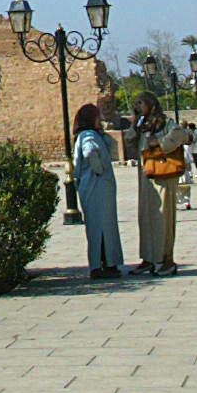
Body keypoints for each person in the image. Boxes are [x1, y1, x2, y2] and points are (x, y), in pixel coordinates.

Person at [132, 91, 184, 275]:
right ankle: (148, 258)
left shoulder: (166, 123)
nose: (138, 107)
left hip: (163, 176)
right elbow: (129, 141)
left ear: (151, 105)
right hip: (147, 176)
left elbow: (180, 135)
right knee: (146, 217)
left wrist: (159, 143)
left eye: (141, 103)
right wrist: (134, 125)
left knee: (163, 218)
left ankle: (166, 260)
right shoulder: (141, 124)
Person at [71, 104, 125, 279]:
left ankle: (103, 262)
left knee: (98, 226)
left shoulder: (91, 134)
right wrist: (99, 170)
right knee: (102, 226)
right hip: (97, 187)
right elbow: (91, 152)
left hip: (94, 188)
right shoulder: (88, 136)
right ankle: (105, 263)